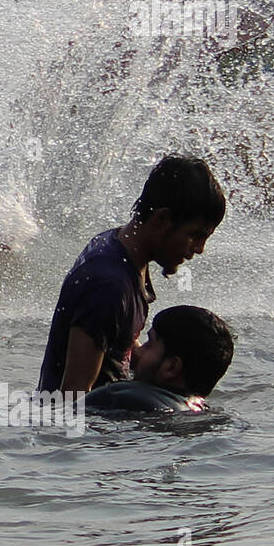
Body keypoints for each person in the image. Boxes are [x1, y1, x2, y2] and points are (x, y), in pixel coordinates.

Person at [36, 154, 226, 394]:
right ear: (162, 220)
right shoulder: (109, 285)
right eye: (194, 236)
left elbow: (114, 343)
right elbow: (73, 395)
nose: (199, 249)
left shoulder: (122, 252)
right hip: (92, 425)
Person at [85, 305, 234, 413]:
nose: (137, 351)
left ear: (171, 368)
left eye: (149, 344)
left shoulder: (121, 397)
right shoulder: (196, 409)